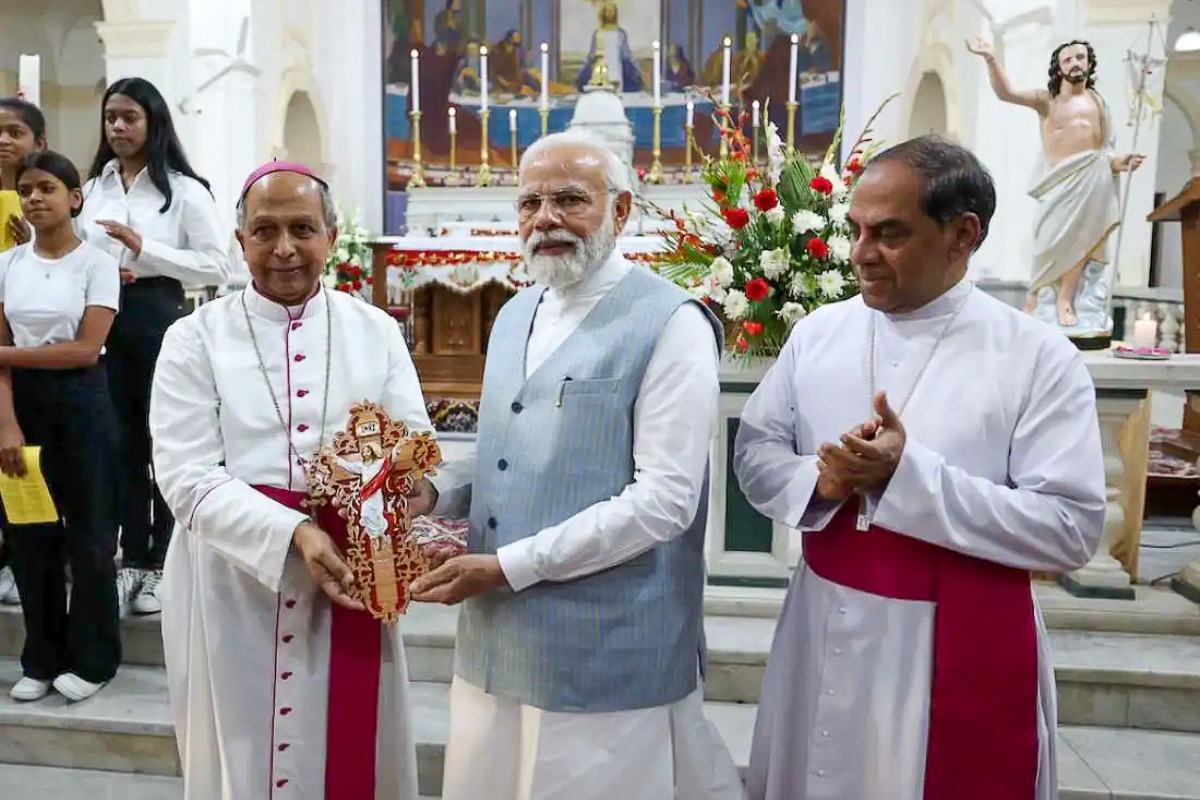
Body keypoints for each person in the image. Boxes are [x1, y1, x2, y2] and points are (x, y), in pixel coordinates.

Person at [732, 136, 1107, 800]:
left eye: (889, 234)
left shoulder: (1036, 355)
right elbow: (757, 456)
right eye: (854, 230)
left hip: (955, 637)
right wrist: (823, 483)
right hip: (823, 620)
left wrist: (906, 479)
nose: (859, 254)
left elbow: (1070, 530)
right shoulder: (818, 333)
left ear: (963, 234)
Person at [410, 131, 744, 800]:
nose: (546, 219)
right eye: (530, 202)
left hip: (607, 648)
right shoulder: (512, 313)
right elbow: (508, 444)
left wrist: (507, 566)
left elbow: (664, 501)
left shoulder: (672, 323)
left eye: (570, 199)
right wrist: (429, 492)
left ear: (621, 212)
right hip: (499, 638)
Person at [148, 160, 435, 800]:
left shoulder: (376, 330)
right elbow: (186, 477)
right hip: (231, 578)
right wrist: (297, 532)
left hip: (357, 573)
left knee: (353, 749)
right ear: (239, 240)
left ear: (331, 236)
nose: (284, 248)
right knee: (244, 752)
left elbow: (416, 446)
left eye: (302, 228)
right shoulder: (193, 339)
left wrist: (412, 490)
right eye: (264, 230)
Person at [78, 77, 230, 615]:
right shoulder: (96, 187)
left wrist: (148, 249)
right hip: (103, 320)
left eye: (128, 118)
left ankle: (165, 560)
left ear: (153, 123)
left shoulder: (185, 191)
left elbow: (219, 265)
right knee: (118, 444)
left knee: (161, 438)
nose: (117, 127)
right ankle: (133, 559)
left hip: (157, 316)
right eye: (110, 118)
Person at [0, 150, 122, 702]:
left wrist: (11, 357)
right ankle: (40, 657)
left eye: (47, 187)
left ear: (74, 198)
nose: (34, 198)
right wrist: (6, 426)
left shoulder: (95, 263)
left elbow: (86, 348)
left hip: (82, 405)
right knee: (29, 536)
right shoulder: (7, 263)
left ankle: (94, 658)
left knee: (92, 537)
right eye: (26, 189)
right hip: (20, 408)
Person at [967, 37, 1144, 333]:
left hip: (1091, 180)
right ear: (1059, 67)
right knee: (1048, 242)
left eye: (1080, 58)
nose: (1075, 63)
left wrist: (1120, 162)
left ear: (1089, 63)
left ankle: (1064, 299)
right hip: (1058, 184)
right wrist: (990, 59)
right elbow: (1006, 93)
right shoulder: (1047, 100)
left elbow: (1104, 151)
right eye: (1068, 59)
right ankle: (1036, 297)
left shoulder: (1098, 103)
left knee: (1080, 242)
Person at [0, 97, 48, 607]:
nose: (4, 140)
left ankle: (24, 558)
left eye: (15, 130)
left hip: (21, 342)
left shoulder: (41, 196)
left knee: (19, 452)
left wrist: (28, 240)